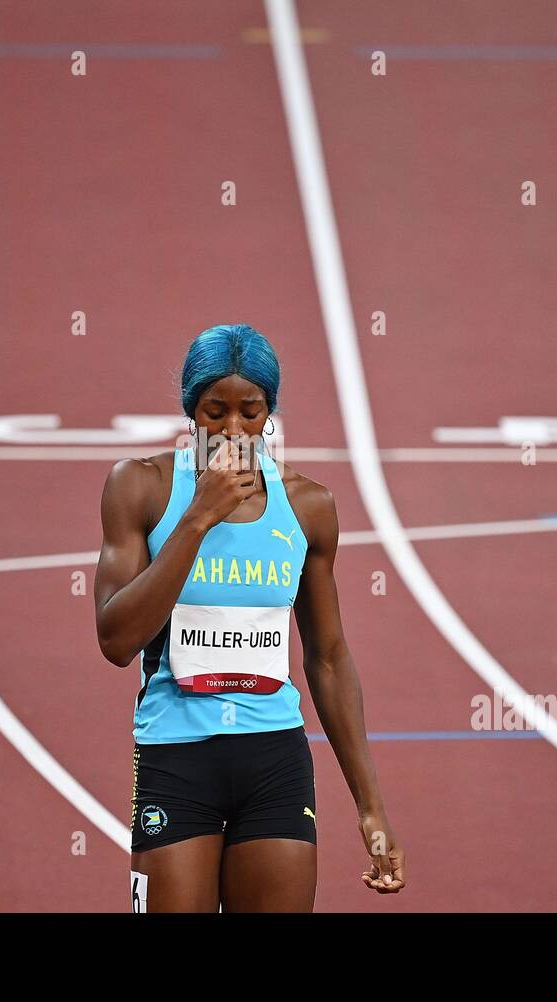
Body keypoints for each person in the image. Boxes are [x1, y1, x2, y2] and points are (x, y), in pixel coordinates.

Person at [94, 323, 404, 912]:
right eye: (214, 411)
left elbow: (329, 657)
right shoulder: (142, 488)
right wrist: (197, 518)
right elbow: (115, 638)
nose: (232, 430)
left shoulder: (308, 506)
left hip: (274, 761)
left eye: (250, 412)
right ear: (191, 410)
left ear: (270, 414)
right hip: (176, 757)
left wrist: (370, 808)